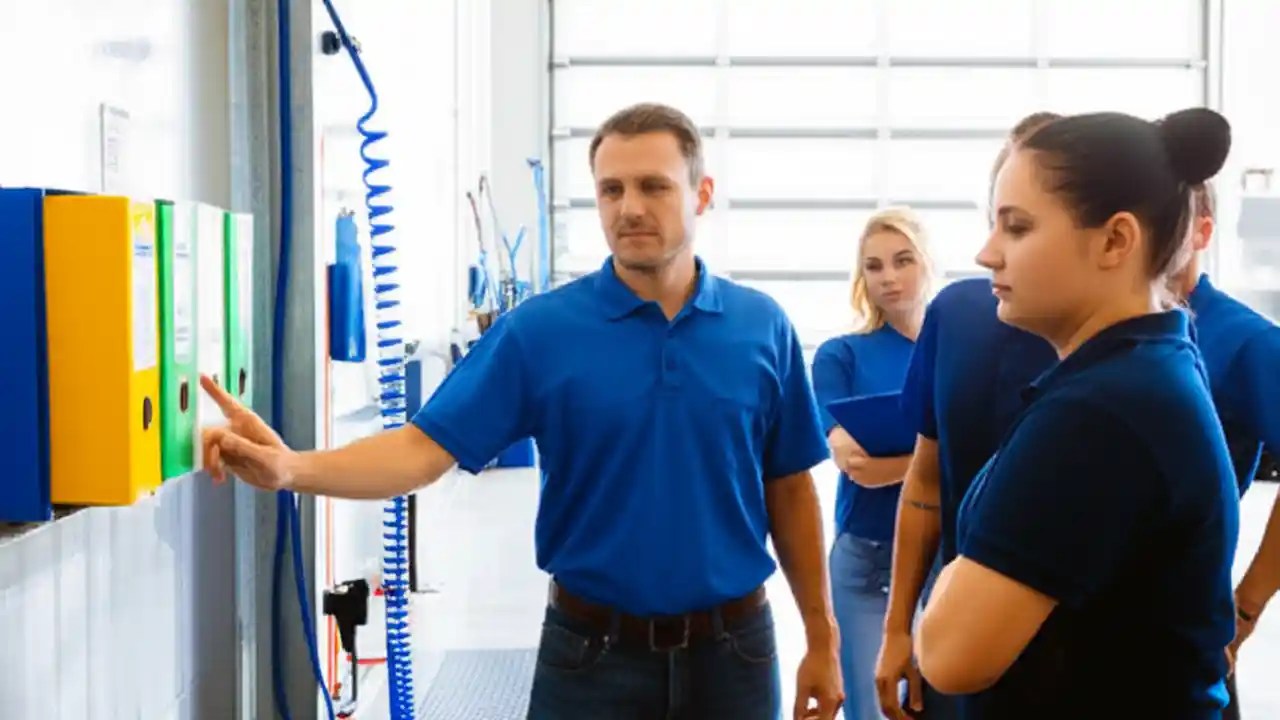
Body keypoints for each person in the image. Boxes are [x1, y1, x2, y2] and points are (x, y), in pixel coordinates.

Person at [199, 102, 845, 720]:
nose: (630, 208)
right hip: (591, 658)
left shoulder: (762, 329)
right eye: (611, 190)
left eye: (654, 187)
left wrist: (822, 637)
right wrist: (292, 469)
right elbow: (421, 450)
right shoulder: (540, 334)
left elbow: (789, 489)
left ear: (701, 194)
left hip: (734, 655)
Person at [914, 108, 1237, 718]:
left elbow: (950, 655)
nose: (987, 253)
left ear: (1115, 240)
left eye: (1017, 227)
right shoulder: (1152, 361)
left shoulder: (1101, 414)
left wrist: (952, 580)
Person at [873, 112, 1062, 720]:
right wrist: (897, 626)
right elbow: (926, 479)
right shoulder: (957, 314)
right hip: (954, 628)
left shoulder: (1129, 352)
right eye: (1002, 216)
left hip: (1080, 646)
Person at [810, 208, 933, 720]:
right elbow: (855, 462)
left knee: (938, 702)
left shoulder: (955, 351)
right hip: (865, 557)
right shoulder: (840, 355)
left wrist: (900, 464)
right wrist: (929, 461)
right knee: (874, 707)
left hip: (942, 556)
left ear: (927, 264)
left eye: (902, 261)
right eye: (874, 266)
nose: (889, 277)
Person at [1173, 180, 1280, 719]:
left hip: (1190, 626)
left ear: (1201, 231)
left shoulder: (1247, 340)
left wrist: (1246, 607)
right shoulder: (1105, 331)